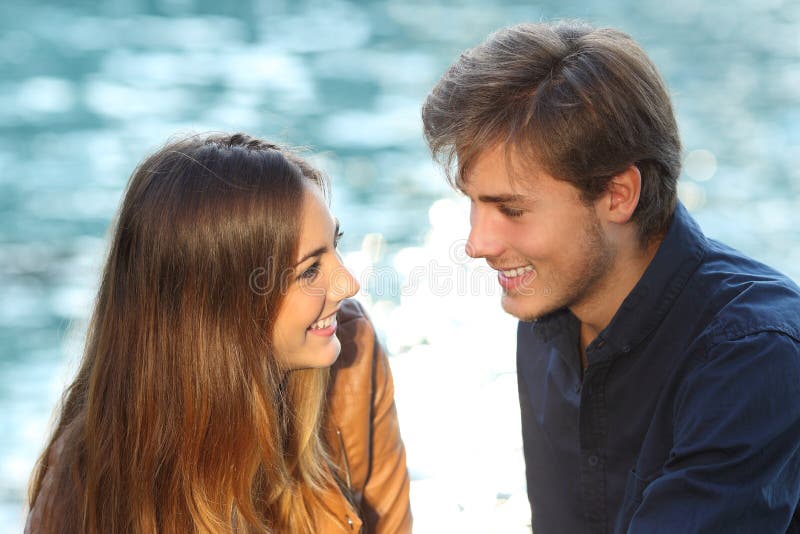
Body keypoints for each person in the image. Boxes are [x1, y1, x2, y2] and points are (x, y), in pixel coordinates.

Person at [422, 20, 800, 533]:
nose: (476, 244)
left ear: (618, 195)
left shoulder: (753, 354)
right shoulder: (545, 314)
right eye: (474, 203)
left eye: (511, 210)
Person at [26, 133, 412, 533]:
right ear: (222, 308)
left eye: (336, 244)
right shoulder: (87, 482)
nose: (349, 284)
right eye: (310, 270)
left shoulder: (351, 354)